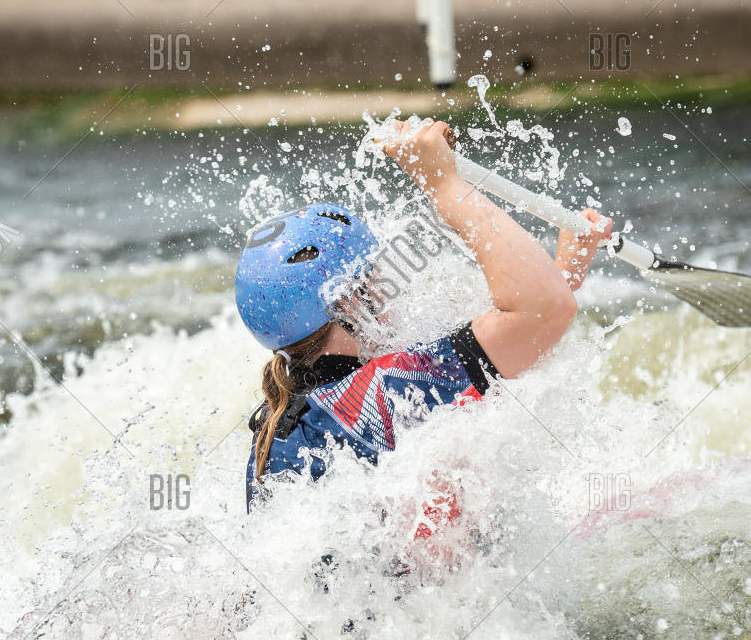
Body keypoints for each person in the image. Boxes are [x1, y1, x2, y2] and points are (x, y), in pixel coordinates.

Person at [236, 119, 612, 511]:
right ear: (347, 302)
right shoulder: (382, 387)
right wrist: (443, 184)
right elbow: (540, 314)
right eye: (375, 276)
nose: (389, 292)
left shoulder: (284, 422)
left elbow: (514, 344)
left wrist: (561, 276)